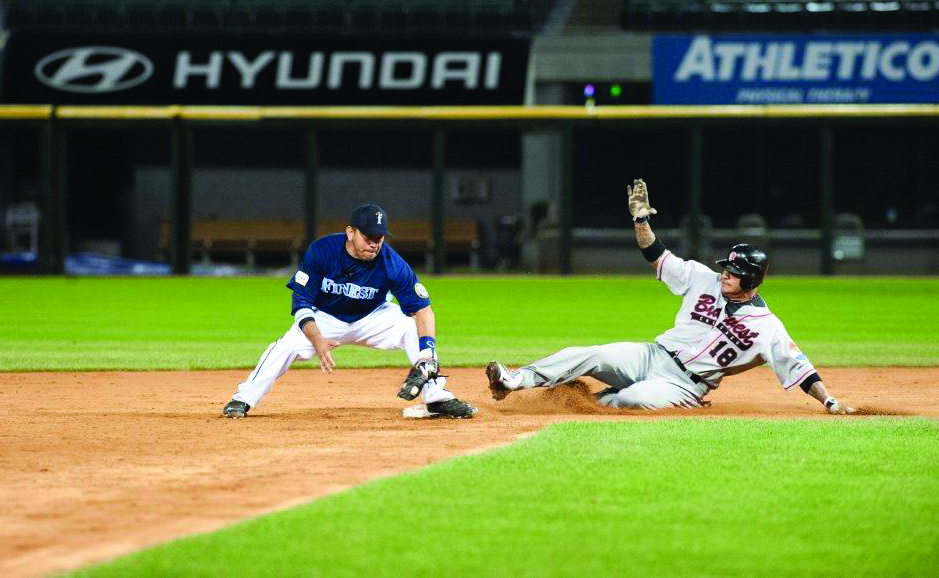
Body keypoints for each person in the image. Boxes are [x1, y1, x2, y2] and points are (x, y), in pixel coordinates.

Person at [485, 179, 857, 414]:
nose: (725, 274)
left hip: (684, 385)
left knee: (631, 401)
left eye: (735, 273)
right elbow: (656, 255)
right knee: (594, 354)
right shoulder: (700, 277)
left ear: (752, 280)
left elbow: (800, 369)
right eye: (726, 268)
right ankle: (515, 380)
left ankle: (586, 402)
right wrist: (641, 221)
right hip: (653, 354)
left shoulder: (767, 327)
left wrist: (828, 400)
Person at [223, 203, 476, 419]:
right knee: (285, 346)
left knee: (411, 329)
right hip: (324, 317)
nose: (374, 243)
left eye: (379, 238)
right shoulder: (323, 251)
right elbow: (300, 302)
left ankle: (436, 398)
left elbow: (423, 310)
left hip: (372, 317)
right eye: (368, 237)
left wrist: (427, 355)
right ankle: (243, 399)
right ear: (350, 232)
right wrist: (317, 339)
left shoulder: (392, 263)